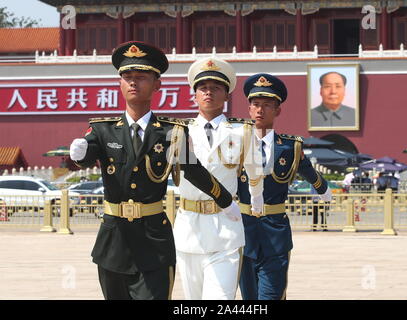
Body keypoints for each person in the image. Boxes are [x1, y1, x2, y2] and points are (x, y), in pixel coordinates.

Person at [69, 41, 240, 300]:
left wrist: (225, 200)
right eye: (127, 77)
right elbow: (86, 157)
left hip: (153, 239)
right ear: (120, 84)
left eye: (141, 77)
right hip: (114, 239)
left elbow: (193, 170)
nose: (133, 83)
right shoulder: (102, 130)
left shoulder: (171, 132)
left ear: (157, 85)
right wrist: (79, 155)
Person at [173, 57, 264, 300]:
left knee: (221, 298)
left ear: (227, 96)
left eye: (216, 88)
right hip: (189, 226)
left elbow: (254, 172)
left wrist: (256, 200)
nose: (209, 93)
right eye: (203, 88)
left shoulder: (242, 130)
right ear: (194, 95)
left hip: (225, 225)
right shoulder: (179, 131)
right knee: (193, 300)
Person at [237, 73, 332, 300]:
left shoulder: (290, 147)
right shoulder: (234, 144)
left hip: (275, 232)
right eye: (256, 104)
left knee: (271, 295)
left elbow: (311, 174)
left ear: (277, 110)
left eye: (267, 105)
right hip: (243, 232)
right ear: (249, 109)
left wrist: (324, 191)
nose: (260, 110)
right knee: (249, 297)